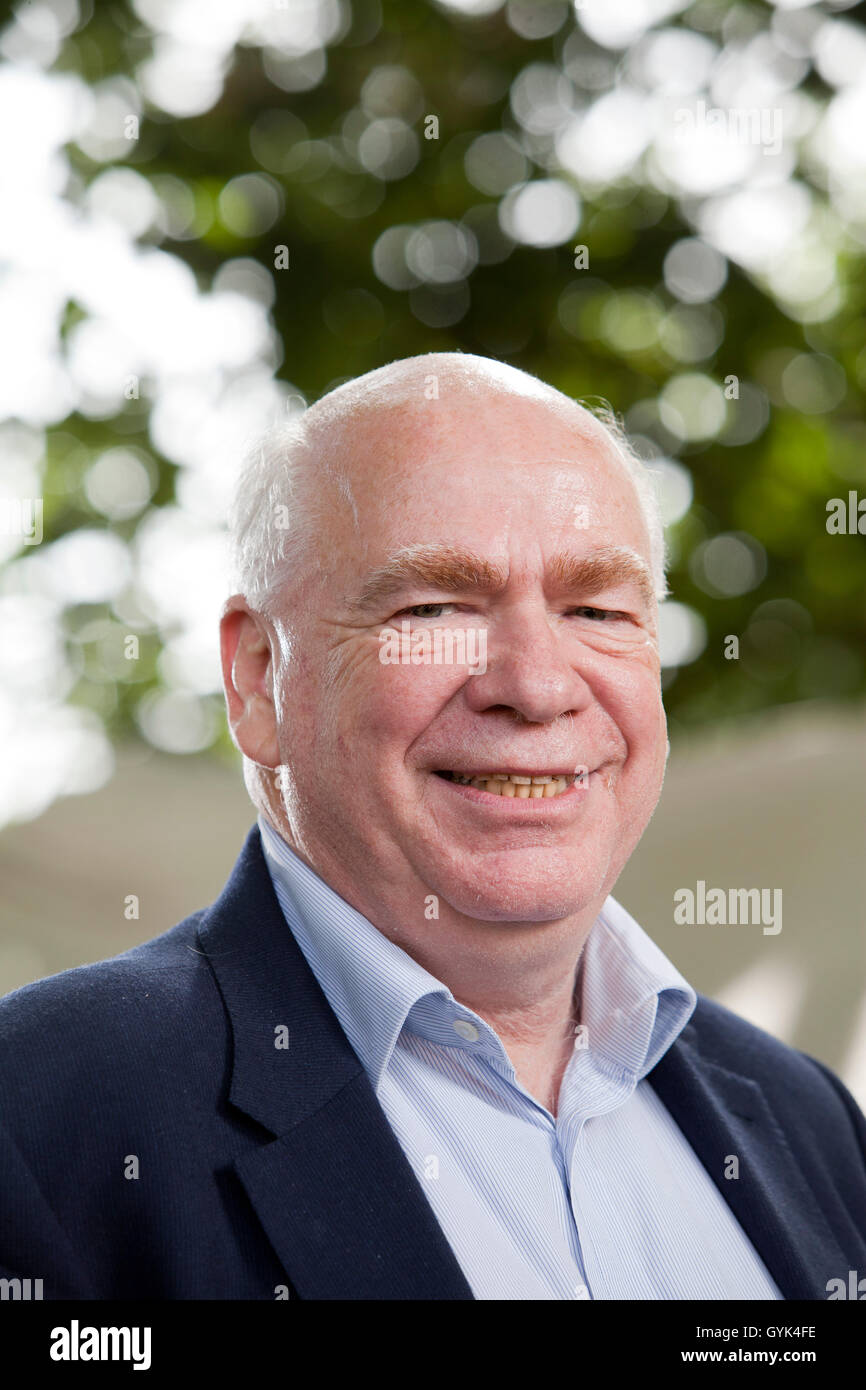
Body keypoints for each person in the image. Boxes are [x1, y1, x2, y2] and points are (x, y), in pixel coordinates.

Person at [1, 352, 864, 1300]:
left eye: (596, 609)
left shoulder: (809, 1122)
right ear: (257, 677)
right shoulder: (39, 1116)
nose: (535, 687)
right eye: (435, 608)